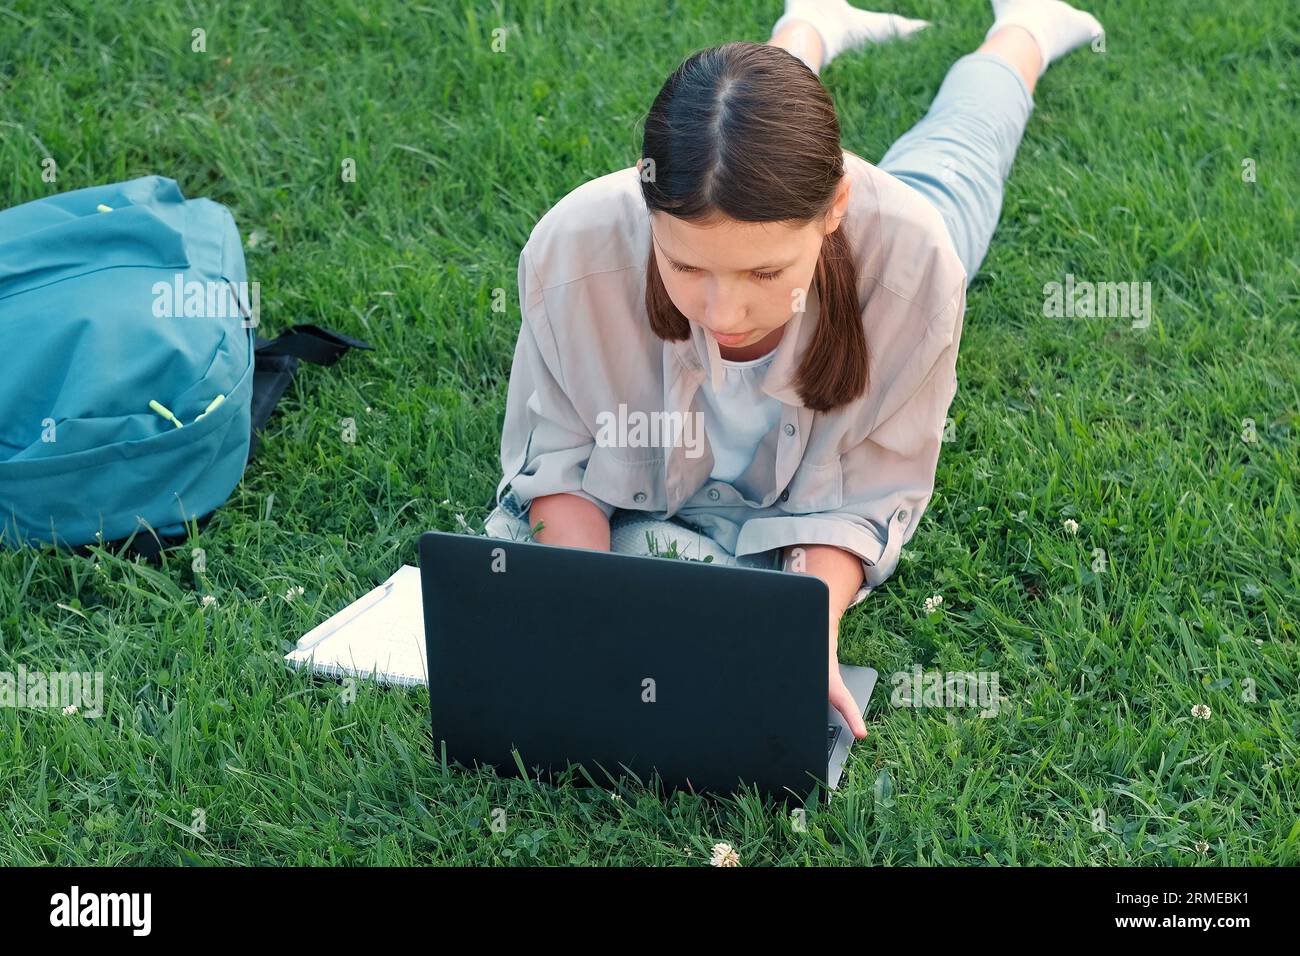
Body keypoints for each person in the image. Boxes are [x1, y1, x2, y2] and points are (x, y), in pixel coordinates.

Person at [484, 0, 1104, 737]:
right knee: (738, 133)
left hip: (892, 233)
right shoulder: (573, 251)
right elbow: (554, 467)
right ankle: (812, 23)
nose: (722, 312)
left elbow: (867, 499)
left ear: (834, 207)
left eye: (765, 272)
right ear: (647, 206)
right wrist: (589, 610)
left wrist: (805, 631)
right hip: (764, 175)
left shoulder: (912, 264)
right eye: (685, 264)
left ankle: (1025, 30)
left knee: (957, 164)